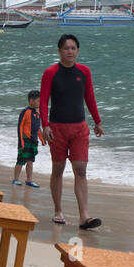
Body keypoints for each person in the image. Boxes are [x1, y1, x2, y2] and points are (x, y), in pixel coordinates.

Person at [39, 33, 103, 229]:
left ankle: (84, 216)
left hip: (79, 128)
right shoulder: (51, 72)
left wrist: (97, 121)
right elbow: (43, 100)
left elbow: (89, 97)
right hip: (57, 128)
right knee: (58, 169)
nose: (70, 51)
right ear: (59, 51)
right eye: (66, 48)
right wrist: (45, 125)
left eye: (73, 48)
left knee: (81, 169)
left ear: (78, 51)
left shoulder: (84, 72)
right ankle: (58, 210)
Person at [12, 89, 43, 188]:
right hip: (25, 140)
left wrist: (42, 140)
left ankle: (29, 180)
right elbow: (20, 127)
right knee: (21, 160)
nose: (40, 103)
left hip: (33, 141)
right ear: (31, 101)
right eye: (38, 101)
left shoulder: (38, 113)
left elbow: (38, 128)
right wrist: (21, 141)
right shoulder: (25, 112)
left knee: (30, 161)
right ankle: (15, 179)